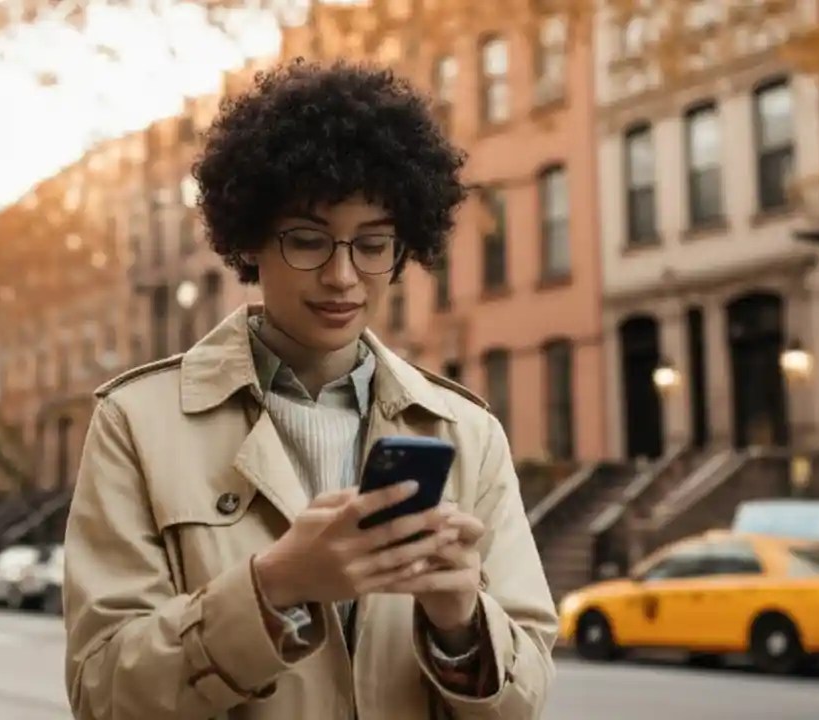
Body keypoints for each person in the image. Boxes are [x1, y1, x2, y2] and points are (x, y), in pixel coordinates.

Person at [62, 59, 557, 720]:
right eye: (307, 241)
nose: (343, 276)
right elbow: (103, 694)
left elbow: (526, 702)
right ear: (250, 239)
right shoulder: (138, 423)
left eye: (373, 244)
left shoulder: (467, 433)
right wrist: (274, 588)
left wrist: (461, 623)